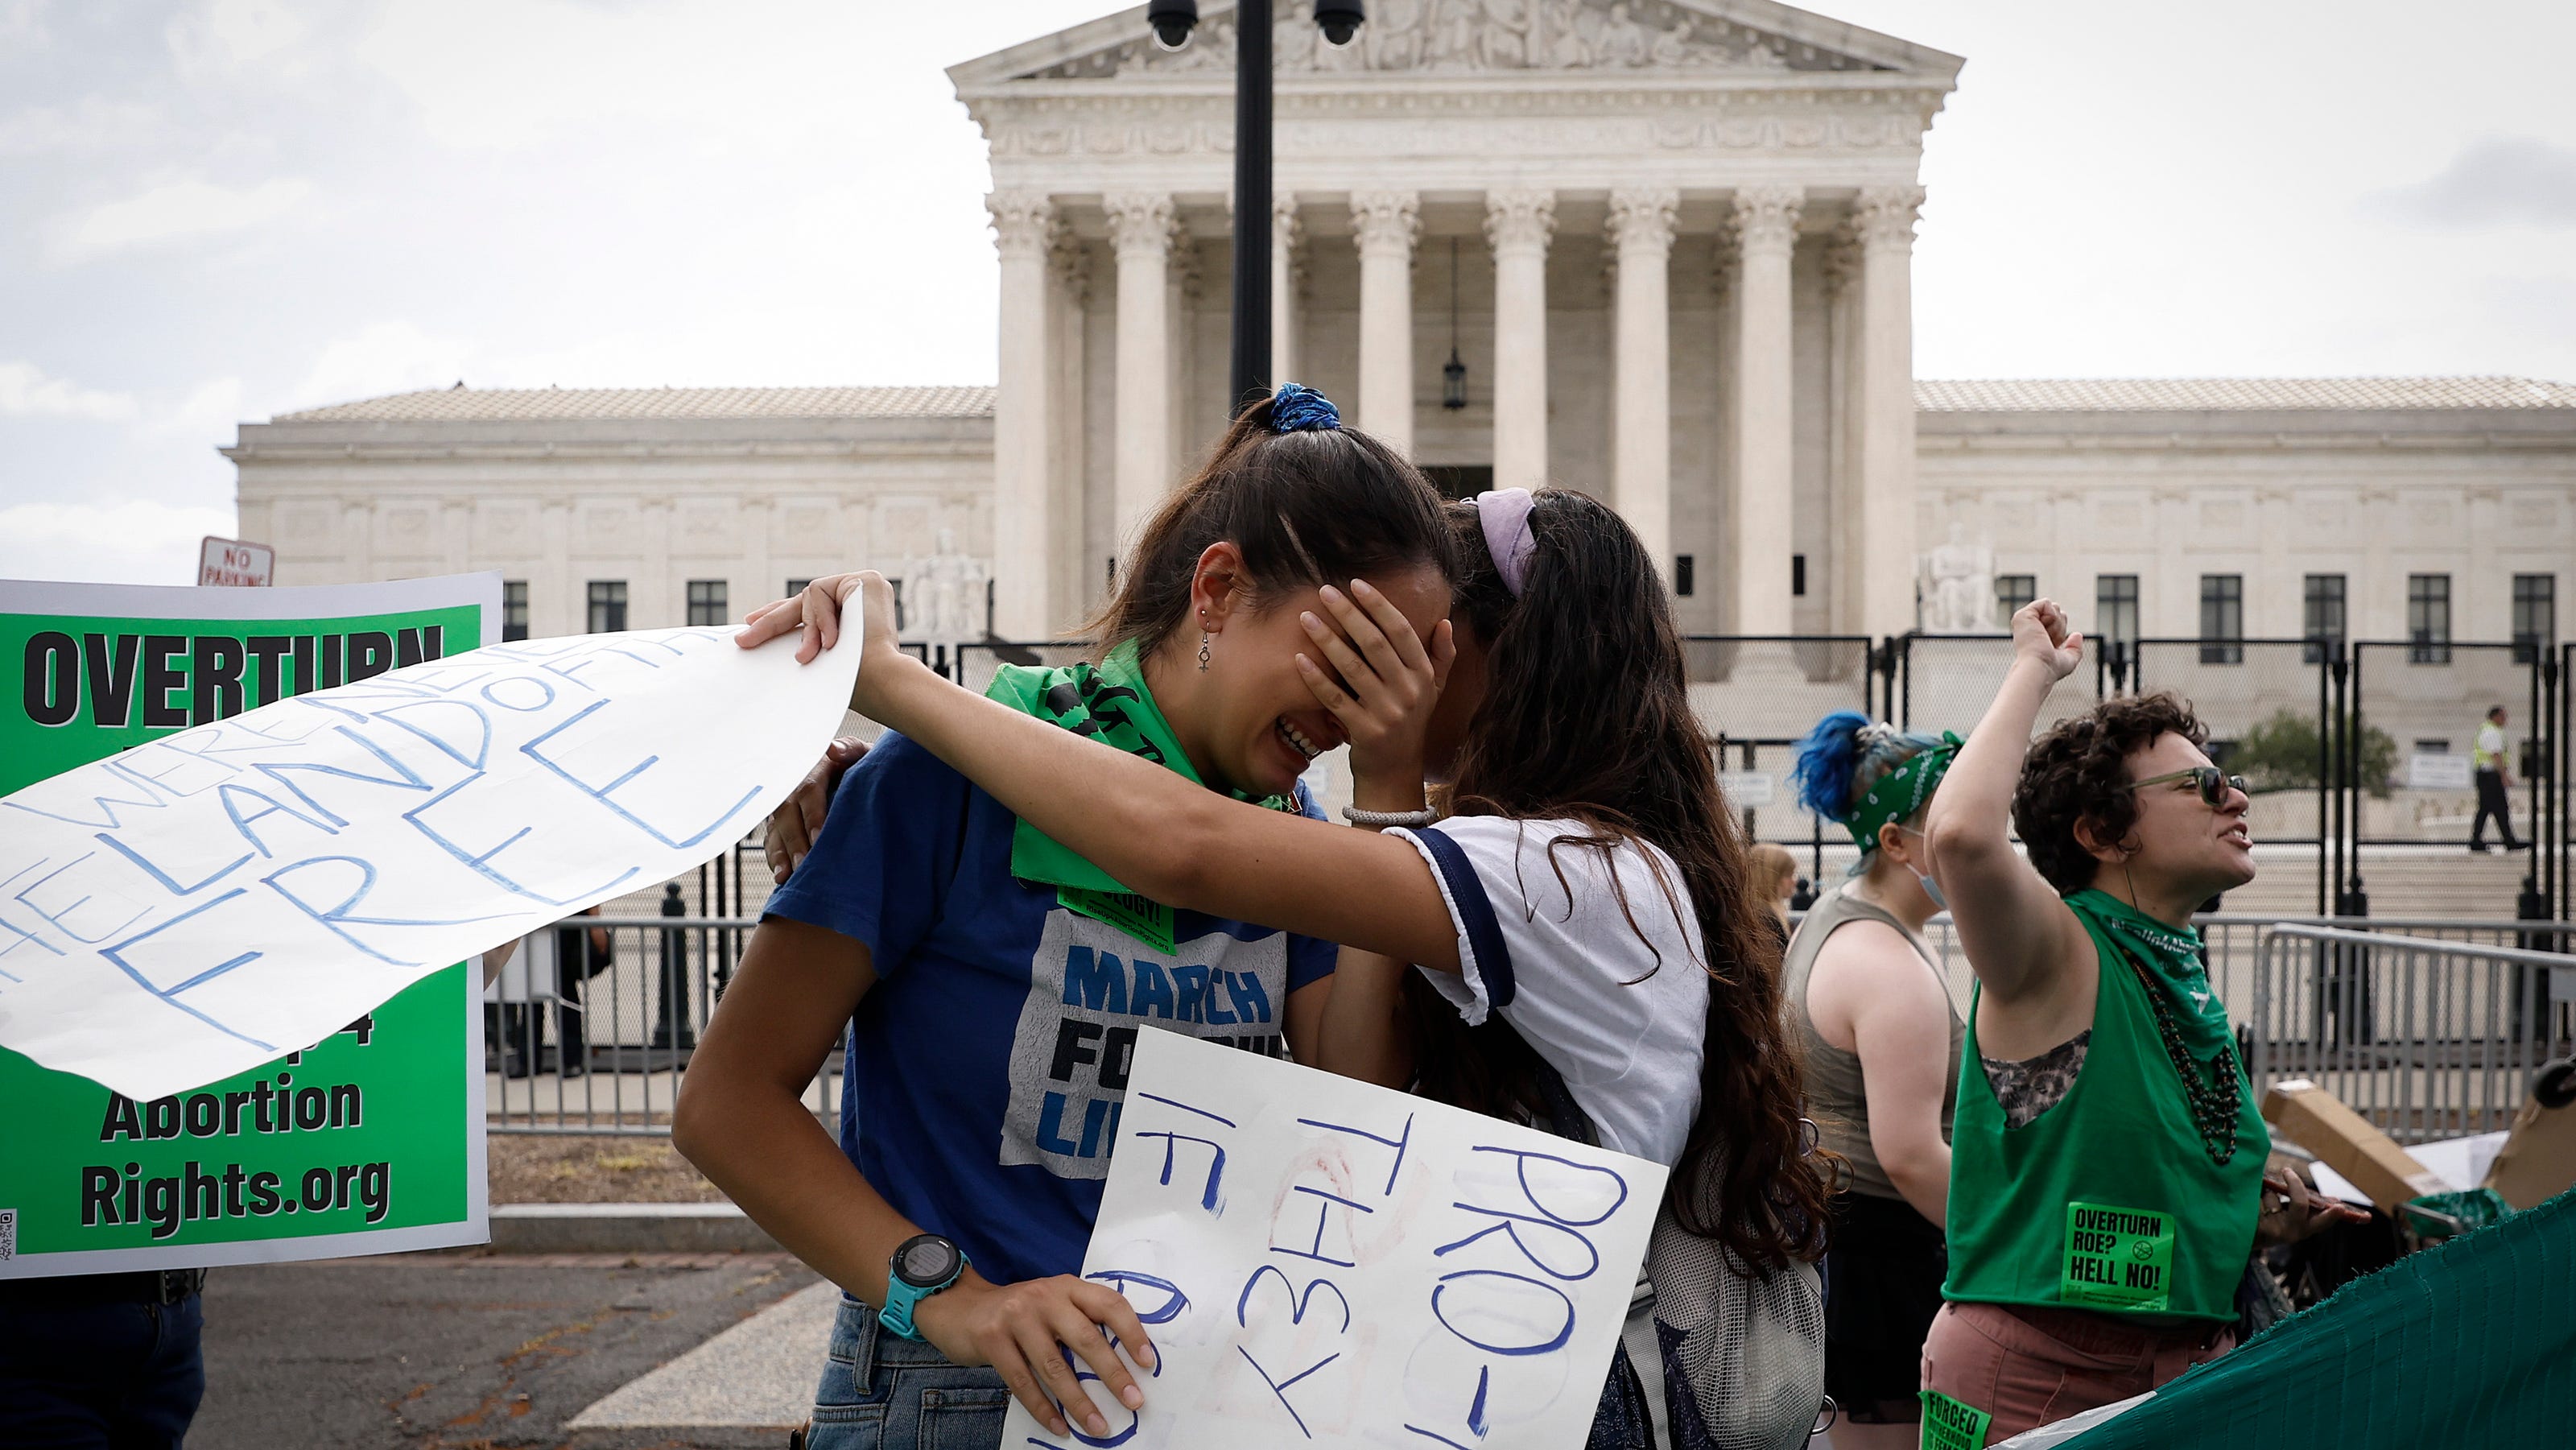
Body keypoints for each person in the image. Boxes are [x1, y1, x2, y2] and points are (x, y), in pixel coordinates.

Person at [759, 481, 1833, 1449]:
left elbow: (1189, 849)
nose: (1384, 683)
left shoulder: (1560, 868)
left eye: (1417, 645)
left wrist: (901, 691)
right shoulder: (1516, 859)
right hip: (1139, 1375)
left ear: (1505, 660)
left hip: (1533, 1388)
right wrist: (902, 772)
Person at [671, 384, 1460, 1449]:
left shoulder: (1299, 833)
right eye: (1353, 659)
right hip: (952, 1387)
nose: (1364, 708)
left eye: (1402, 677)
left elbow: (1352, 1104)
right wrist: (954, 1299)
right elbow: (726, 1099)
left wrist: (1390, 774)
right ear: (1218, 591)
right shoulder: (940, 779)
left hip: (1181, 1388)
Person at [1916, 599, 2363, 1442]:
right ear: (2101, 833)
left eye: (2225, 775)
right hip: (2043, 1378)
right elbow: (1963, 837)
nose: (2234, 796)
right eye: (2200, 784)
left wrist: (2252, 1216)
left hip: (2186, 1367)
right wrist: (2032, 671)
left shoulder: (2169, 959)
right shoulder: (2059, 949)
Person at [1779, 713, 1964, 1447]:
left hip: (1853, 1250)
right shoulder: (1884, 963)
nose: (1981, 834)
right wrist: (2024, 1246)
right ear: (1895, 842)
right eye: (1954, 822)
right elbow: (1912, 1156)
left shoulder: (1839, 914)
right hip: (1882, 1265)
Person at [2469, 704, 2523, 852]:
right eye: (2503, 716)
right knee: (2497, 808)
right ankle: (2506, 841)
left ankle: (2481, 840)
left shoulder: (2487, 730)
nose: (2505, 719)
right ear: (2496, 717)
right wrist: (2504, 776)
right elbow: (2496, 756)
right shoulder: (2492, 732)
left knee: (2489, 808)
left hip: (2486, 776)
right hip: (2490, 776)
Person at [1747, 841, 1798, 947]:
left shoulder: (1754, 911)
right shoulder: (1765, 918)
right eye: (1789, 875)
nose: (1794, 881)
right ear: (1771, 877)